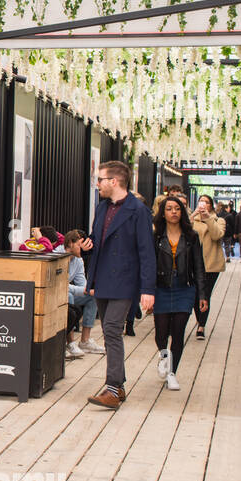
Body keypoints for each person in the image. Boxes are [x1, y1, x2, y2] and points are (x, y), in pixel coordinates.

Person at [79, 160, 155, 409]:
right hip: (102, 279)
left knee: (111, 328)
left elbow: (147, 252)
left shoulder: (138, 210)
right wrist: (87, 246)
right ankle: (118, 388)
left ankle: (112, 388)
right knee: (110, 329)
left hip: (125, 279)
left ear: (114, 181)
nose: (97, 184)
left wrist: (147, 289)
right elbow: (97, 240)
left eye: (100, 180)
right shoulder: (102, 208)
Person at [151, 194, 207, 391]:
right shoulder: (156, 236)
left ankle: (172, 373)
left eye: (177, 208)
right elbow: (149, 265)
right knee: (161, 333)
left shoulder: (191, 237)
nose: (173, 212)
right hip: (161, 287)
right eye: (169, 209)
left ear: (182, 212)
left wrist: (202, 295)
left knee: (178, 331)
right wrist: (146, 292)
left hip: (185, 286)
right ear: (163, 213)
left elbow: (199, 266)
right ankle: (164, 356)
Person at [189, 194, 225, 340]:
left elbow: (217, 235)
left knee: (205, 295)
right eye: (201, 201)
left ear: (211, 206)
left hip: (211, 264)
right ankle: (200, 319)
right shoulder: (192, 220)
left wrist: (208, 218)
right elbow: (183, 231)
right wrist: (194, 215)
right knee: (195, 294)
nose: (203, 204)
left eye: (206, 202)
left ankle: (201, 326)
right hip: (194, 263)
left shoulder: (218, 220)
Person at [63, 229, 103, 358]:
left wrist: (89, 289)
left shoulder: (78, 259)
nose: (83, 249)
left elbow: (82, 283)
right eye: (80, 244)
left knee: (92, 297)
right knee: (68, 296)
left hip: (69, 291)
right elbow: (60, 285)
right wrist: (84, 290)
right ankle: (69, 342)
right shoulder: (57, 255)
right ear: (70, 243)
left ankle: (85, 341)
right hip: (56, 294)